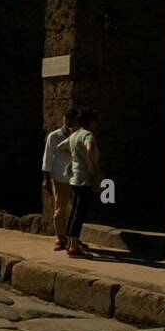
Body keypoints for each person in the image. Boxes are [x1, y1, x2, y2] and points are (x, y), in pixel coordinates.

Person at [58, 108, 101, 259]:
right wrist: (90, 166)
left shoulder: (74, 135)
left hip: (75, 178)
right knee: (80, 213)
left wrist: (75, 157)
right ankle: (74, 247)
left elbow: (60, 147)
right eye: (95, 121)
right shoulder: (88, 135)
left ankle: (70, 243)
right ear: (90, 122)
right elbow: (89, 148)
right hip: (84, 179)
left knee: (74, 211)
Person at [42, 108, 79, 251]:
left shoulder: (78, 135)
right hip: (60, 177)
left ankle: (73, 237)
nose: (69, 122)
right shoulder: (54, 136)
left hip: (76, 177)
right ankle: (60, 237)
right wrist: (46, 178)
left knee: (75, 209)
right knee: (60, 209)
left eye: (72, 119)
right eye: (67, 119)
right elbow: (47, 158)